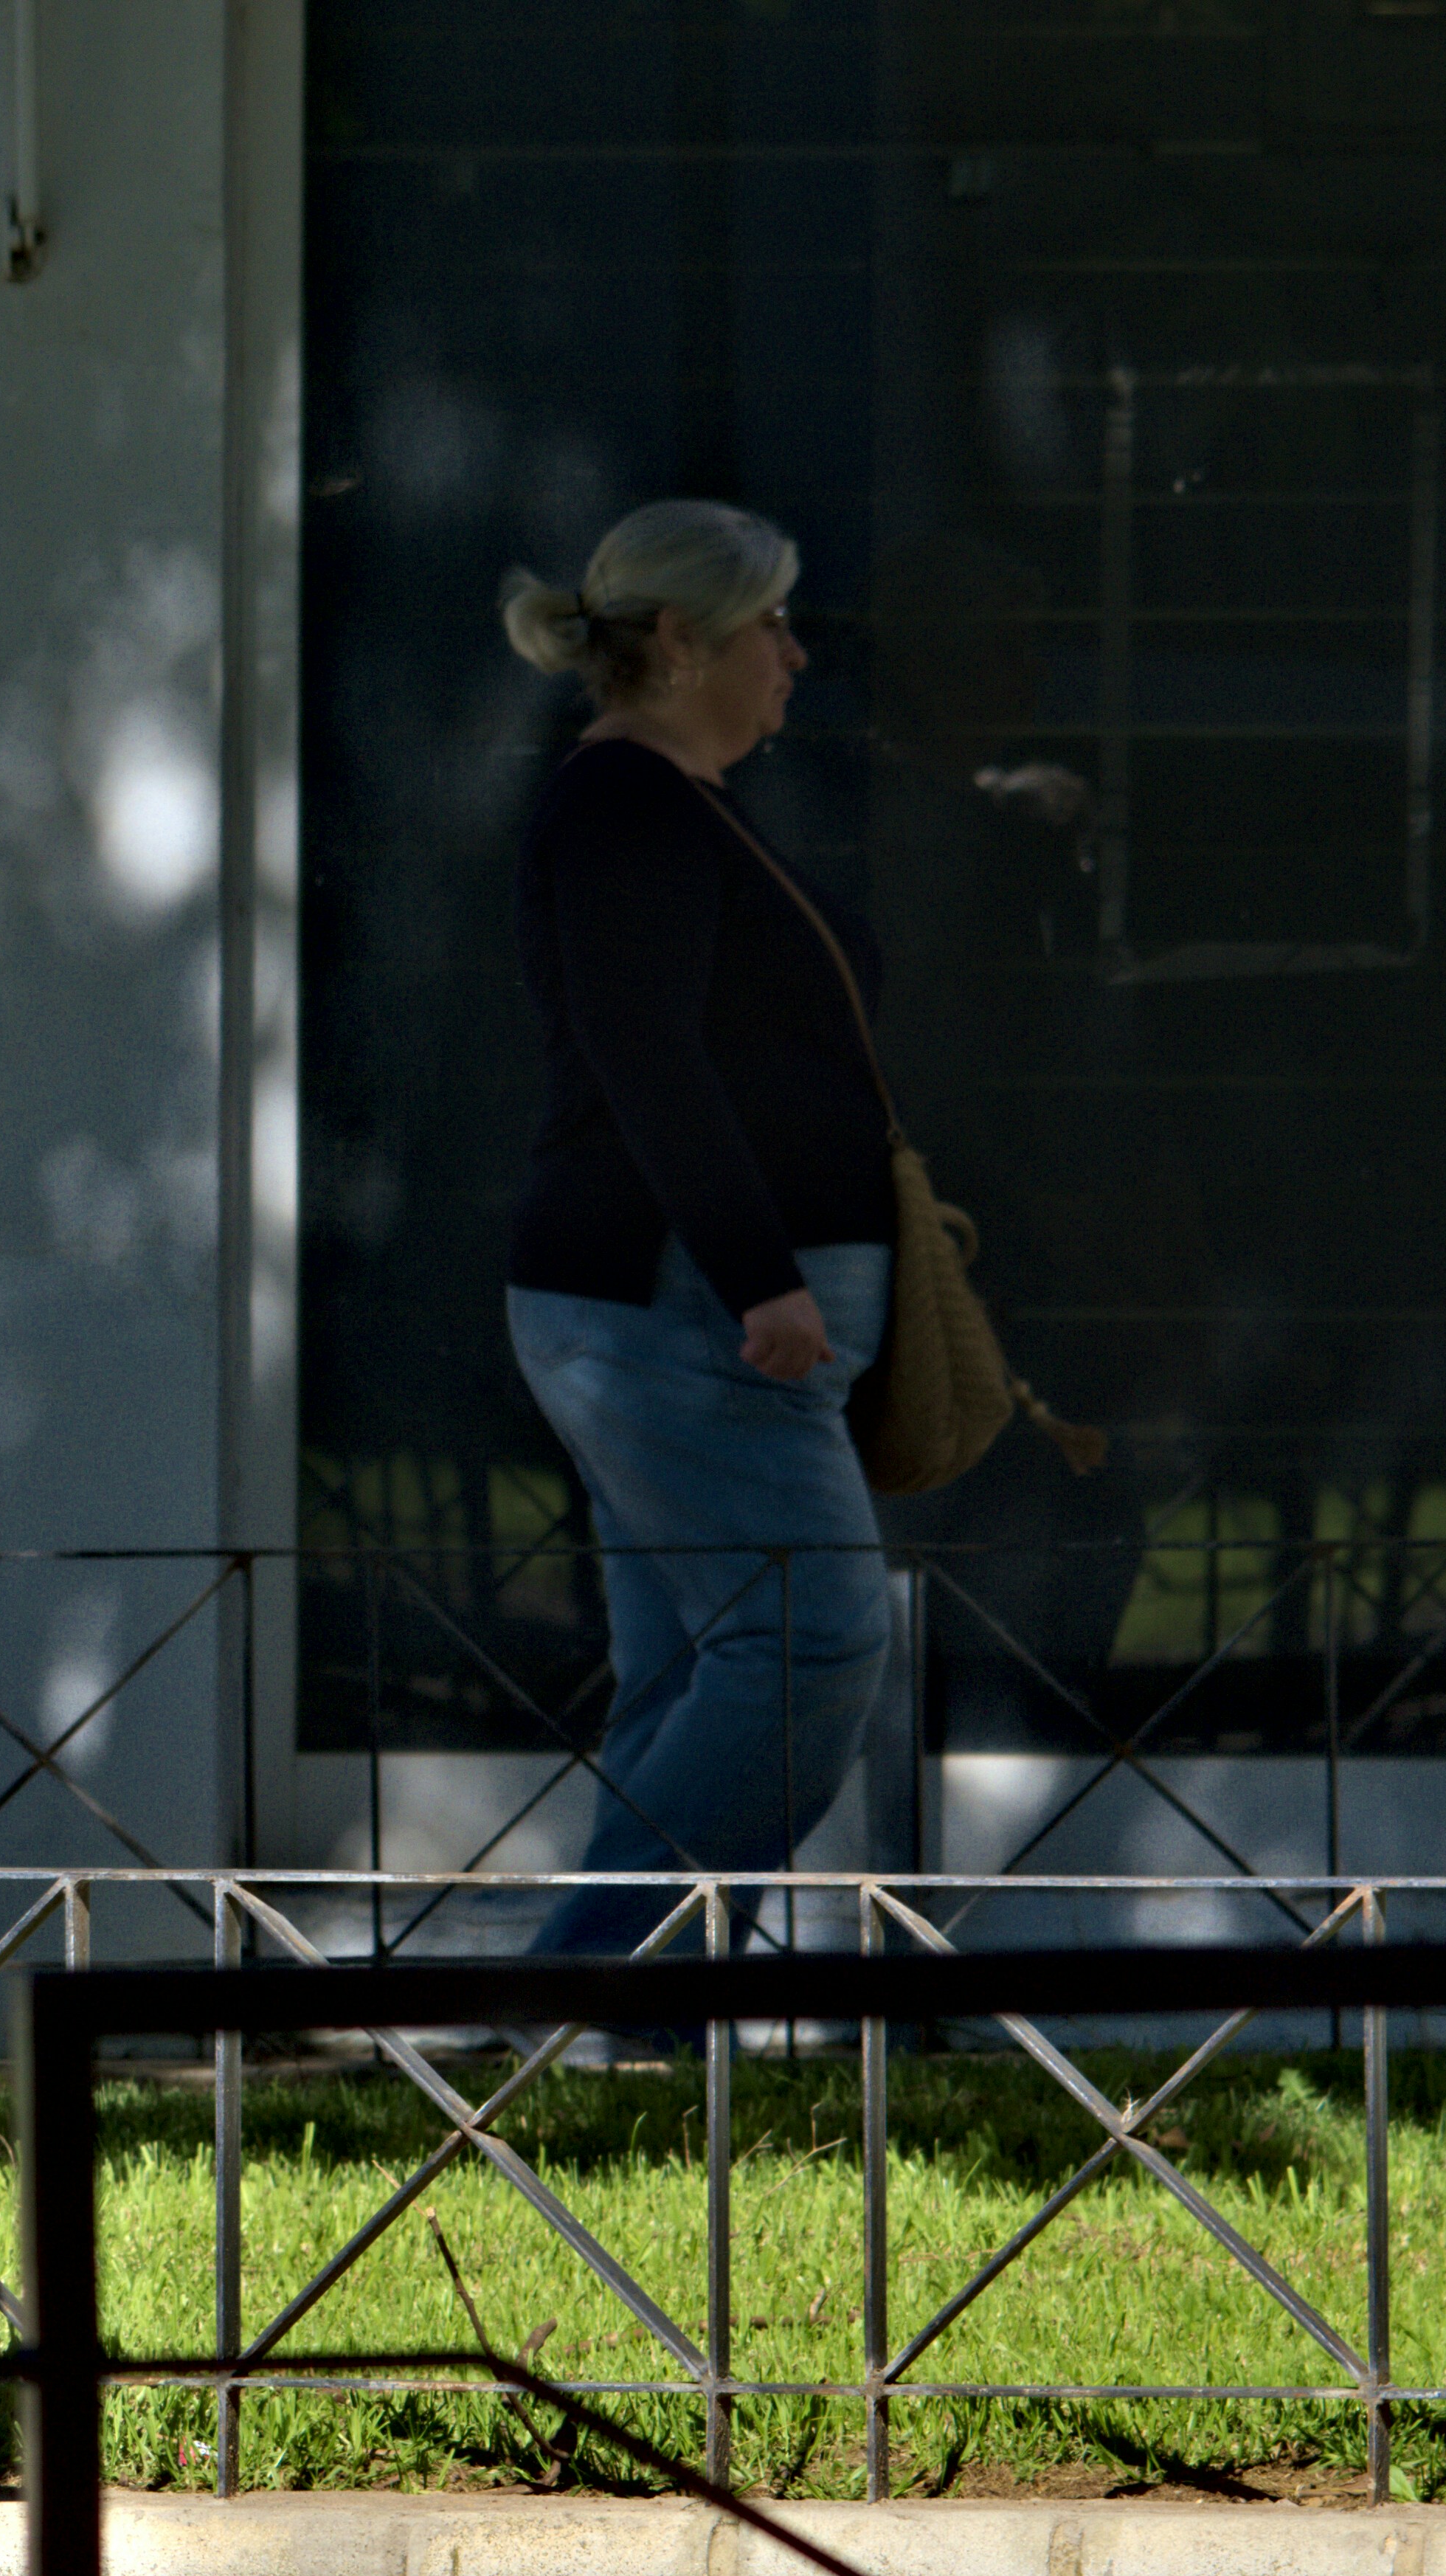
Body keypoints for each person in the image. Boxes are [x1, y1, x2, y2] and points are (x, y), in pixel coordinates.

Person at [497, 500, 896, 1958]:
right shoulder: (625, 809)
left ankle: (621, 2026)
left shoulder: (670, 807)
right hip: (693, 1313)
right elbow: (646, 1059)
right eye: (771, 625)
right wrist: (765, 1281)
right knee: (812, 1640)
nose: (796, 655)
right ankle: (589, 1991)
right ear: (680, 641)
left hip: (697, 1314)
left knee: (691, 1670)